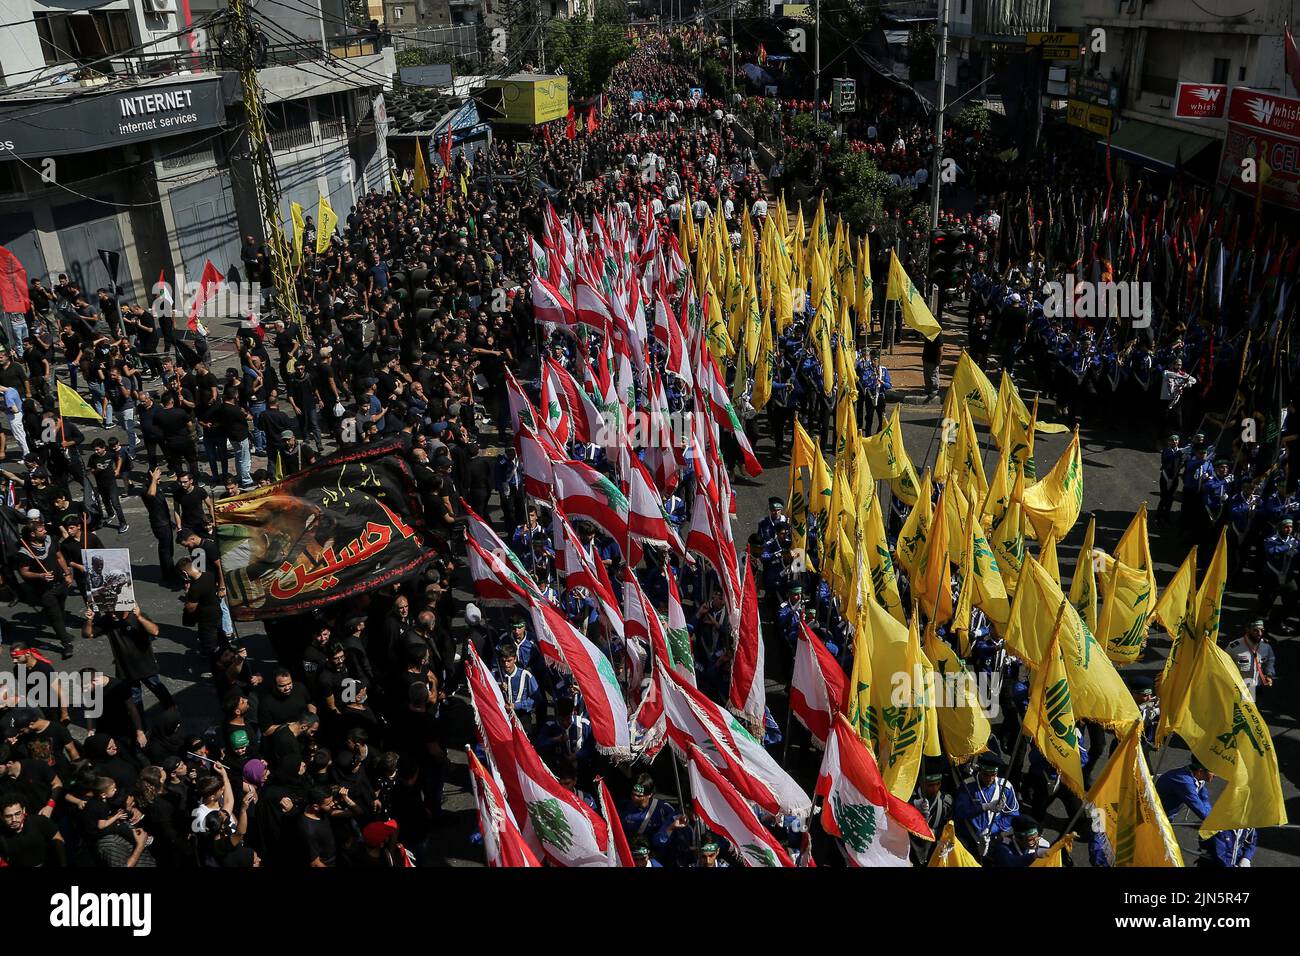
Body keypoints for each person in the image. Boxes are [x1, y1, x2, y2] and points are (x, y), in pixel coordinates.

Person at [14, 511, 76, 658]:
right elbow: (24, 572)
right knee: (54, 615)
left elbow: (60, 557)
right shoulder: (24, 552)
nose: (45, 531)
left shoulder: (51, 540)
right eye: (41, 530)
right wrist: (40, 575)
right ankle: (66, 643)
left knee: (61, 611)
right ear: (33, 535)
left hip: (60, 583)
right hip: (45, 591)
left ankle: (61, 632)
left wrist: (67, 573)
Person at [953, 752, 1019, 860]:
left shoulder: (1005, 788)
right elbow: (959, 813)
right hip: (969, 836)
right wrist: (984, 807)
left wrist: (993, 828)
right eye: (985, 774)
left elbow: (1013, 816)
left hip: (994, 837)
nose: (989, 778)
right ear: (979, 771)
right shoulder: (967, 786)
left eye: (993, 774)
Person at [1223, 620, 1277, 701]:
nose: (1260, 634)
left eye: (1262, 630)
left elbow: (1270, 660)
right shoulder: (1234, 646)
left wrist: (1269, 674)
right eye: (1256, 630)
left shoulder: (1266, 646)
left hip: (1255, 686)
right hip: (1238, 687)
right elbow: (1223, 663)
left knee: (1251, 708)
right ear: (1248, 630)